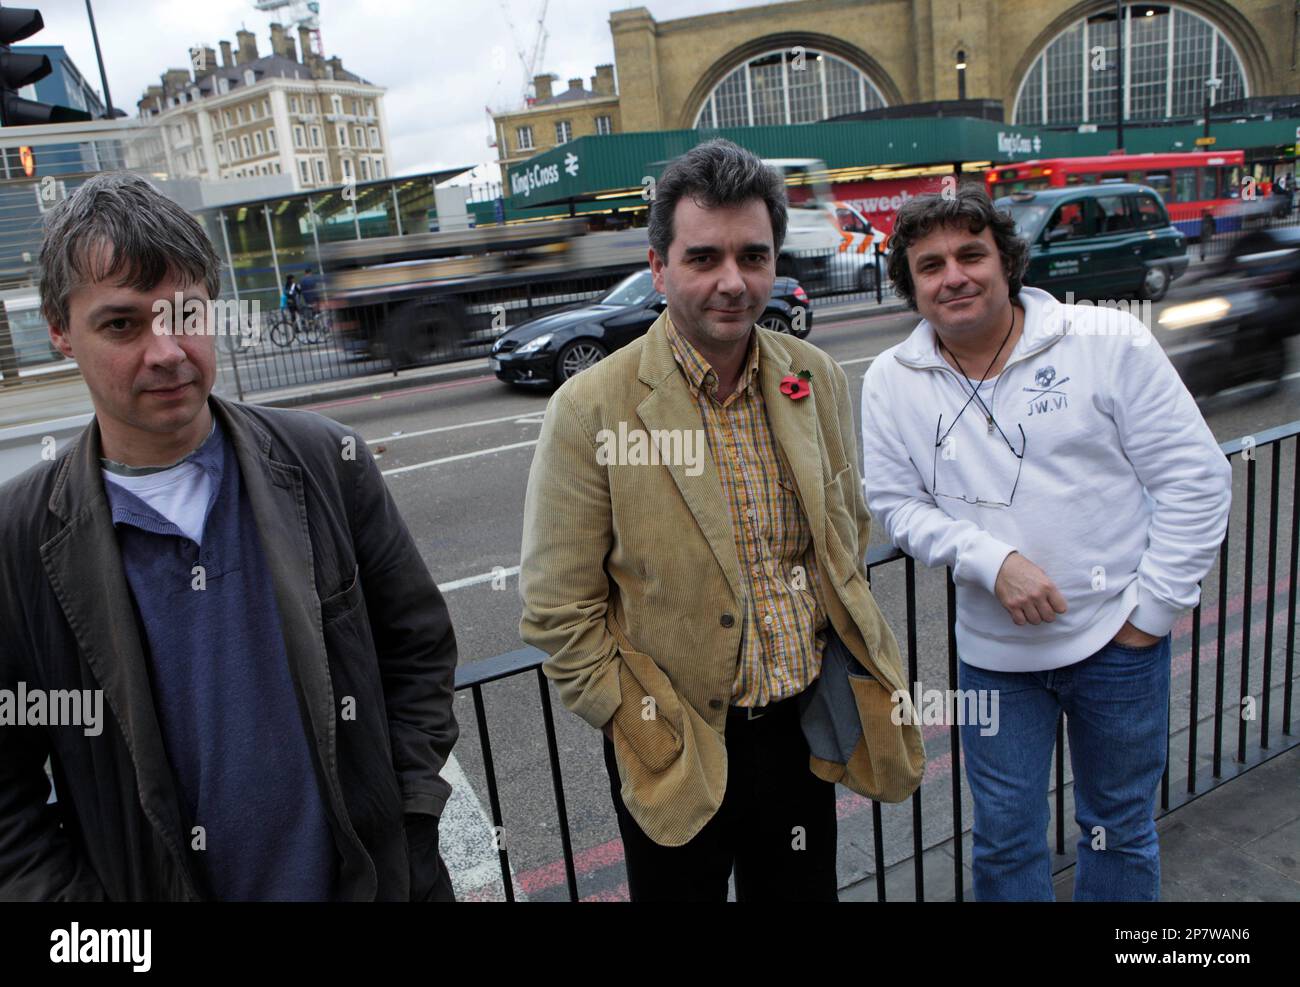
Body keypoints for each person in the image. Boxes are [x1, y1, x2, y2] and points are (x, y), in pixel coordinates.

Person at [0, 172, 459, 901]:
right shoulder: (16, 539)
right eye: (122, 324)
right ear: (61, 330)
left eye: (184, 313)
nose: (168, 351)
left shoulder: (324, 462)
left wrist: (405, 817)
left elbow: (417, 648)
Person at [519, 139, 922, 902]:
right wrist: (638, 721)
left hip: (802, 737)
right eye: (704, 258)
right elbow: (556, 611)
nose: (733, 282)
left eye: (753, 256)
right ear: (659, 266)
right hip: (676, 744)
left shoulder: (816, 377)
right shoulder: (590, 407)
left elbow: (844, 536)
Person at [859, 184, 1232, 901]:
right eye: (930, 265)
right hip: (996, 661)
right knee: (1004, 838)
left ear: (1008, 263)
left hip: (1118, 648)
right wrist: (989, 559)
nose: (954, 275)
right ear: (911, 285)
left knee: (1118, 828)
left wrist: (1150, 614)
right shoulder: (888, 382)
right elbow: (895, 504)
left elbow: (1197, 479)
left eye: (972, 254)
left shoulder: (1108, 341)